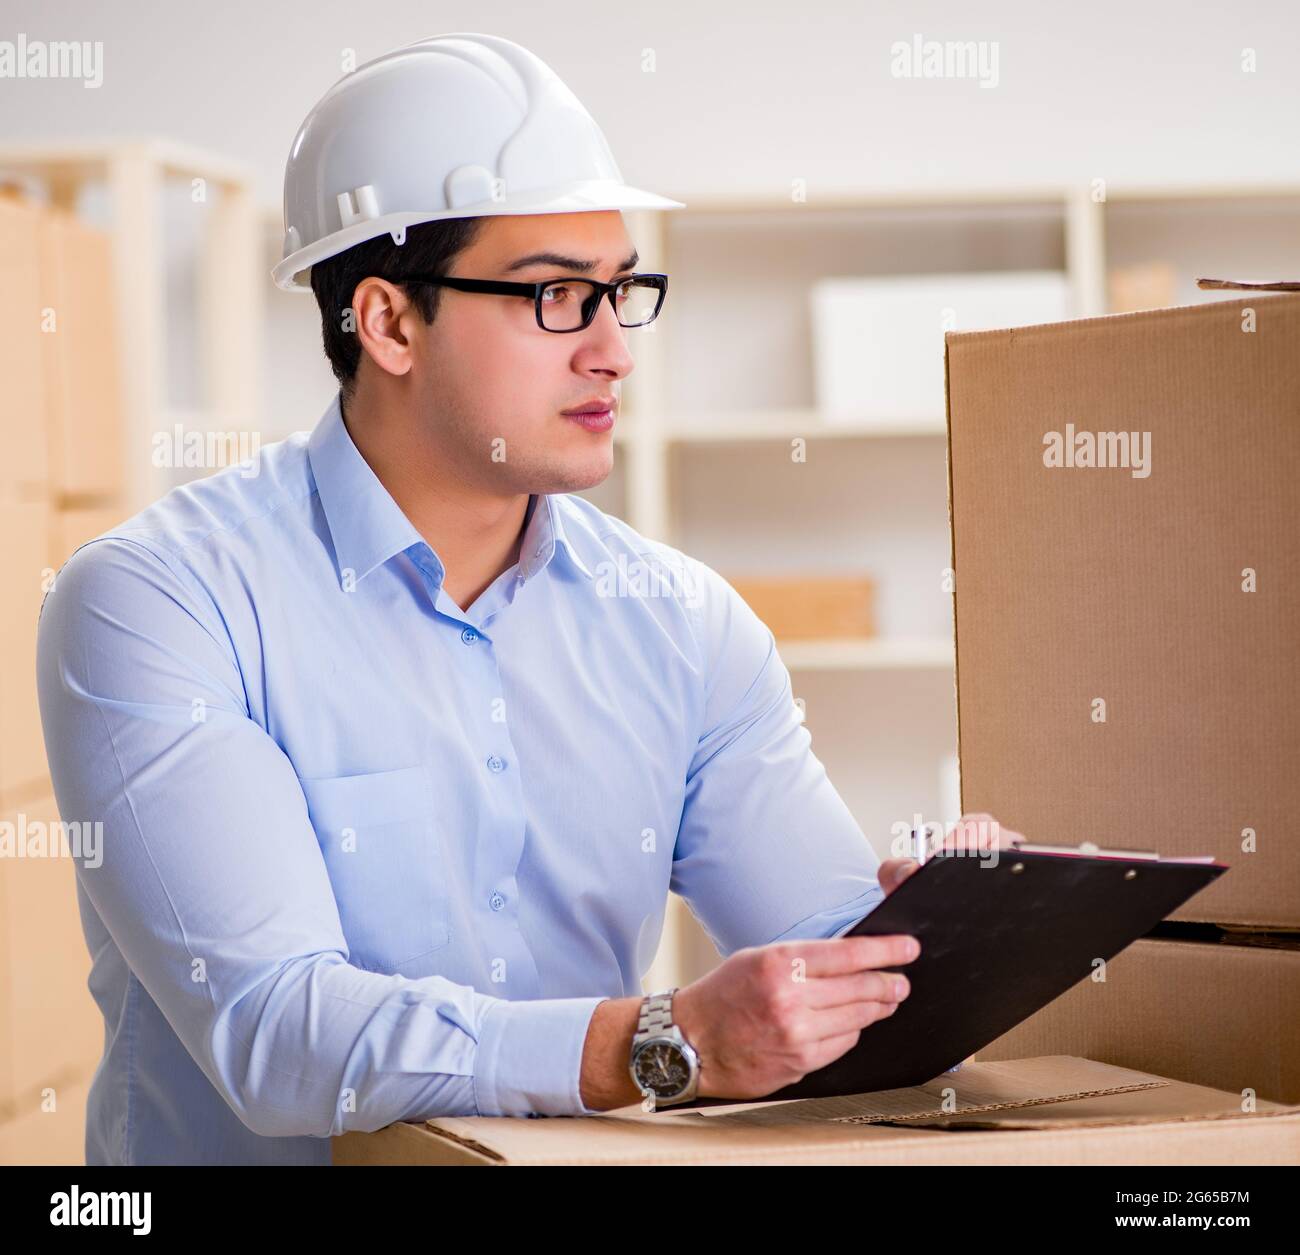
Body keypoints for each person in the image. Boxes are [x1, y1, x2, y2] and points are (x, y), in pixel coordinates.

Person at [36, 32, 1017, 1166]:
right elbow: (274, 1034)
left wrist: (937, 944)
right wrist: (663, 1040)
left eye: (622, 291)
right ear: (389, 321)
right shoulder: (160, 602)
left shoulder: (681, 623)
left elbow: (820, 1004)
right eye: (555, 294)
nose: (613, 352)